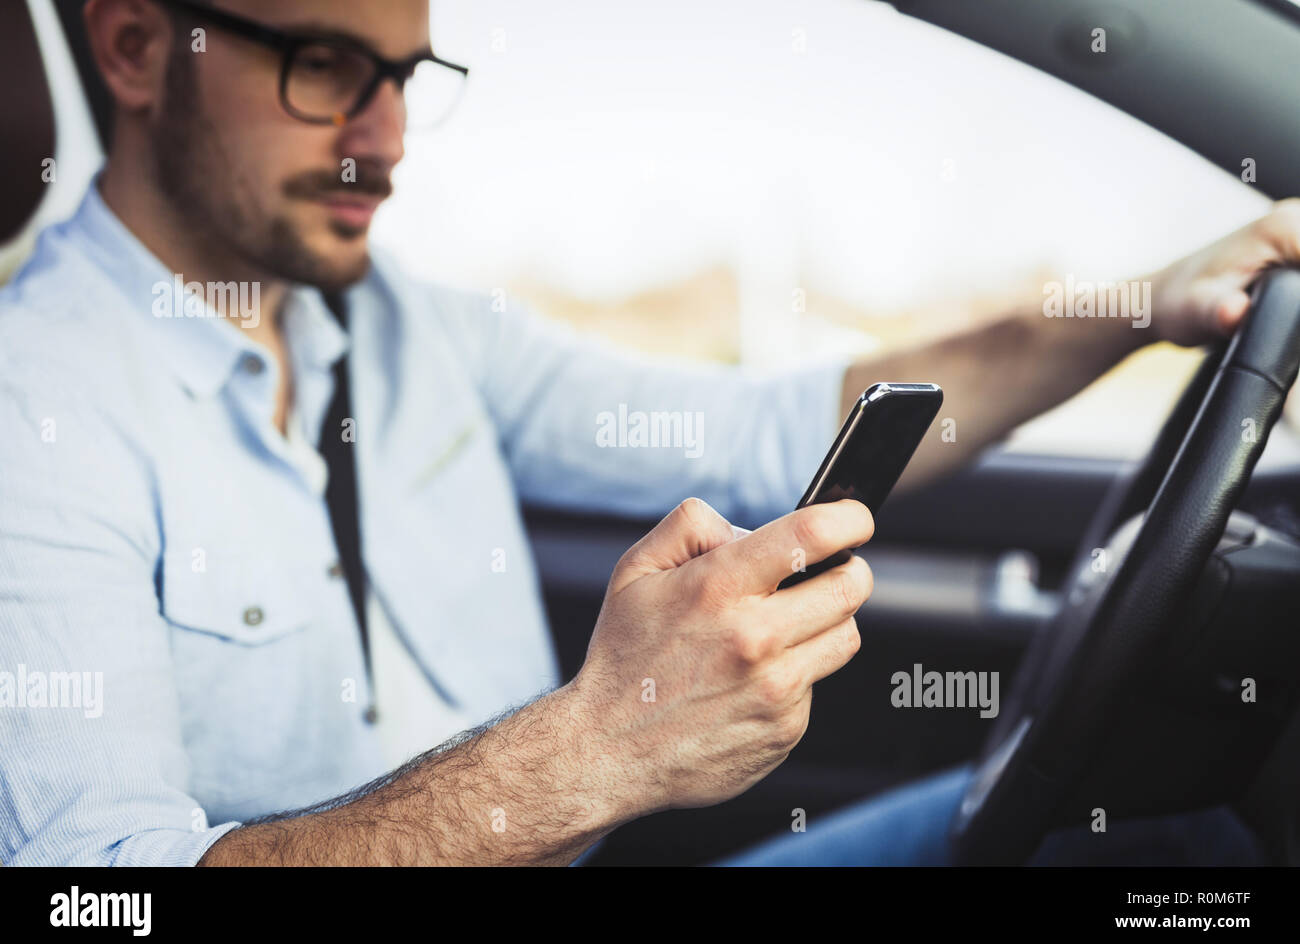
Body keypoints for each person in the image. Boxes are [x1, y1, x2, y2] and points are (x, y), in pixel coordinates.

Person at [0, 0, 1293, 866]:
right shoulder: (33, 406)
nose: (384, 142)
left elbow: (773, 427)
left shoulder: (405, 327)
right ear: (131, 48)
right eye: (327, 65)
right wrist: (603, 745)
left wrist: (1134, 310)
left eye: (403, 78)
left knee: (1161, 837)